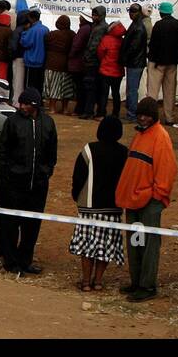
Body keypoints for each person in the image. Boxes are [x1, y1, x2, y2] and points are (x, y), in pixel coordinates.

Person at [116, 97, 178, 302]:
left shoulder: (161, 137)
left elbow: (167, 171)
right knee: (136, 242)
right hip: (133, 200)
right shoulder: (140, 135)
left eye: (146, 115)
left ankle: (147, 285)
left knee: (149, 244)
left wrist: (156, 197)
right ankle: (137, 281)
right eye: (140, 114)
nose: (142, 118)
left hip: (149, 202)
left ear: (153, 116)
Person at [0, 88, 57, 275]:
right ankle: (10, 261)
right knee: (10, 225)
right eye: (21, 103)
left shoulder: (47, 123)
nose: (22, 107)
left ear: (35, 105)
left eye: (26, 104)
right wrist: (8, 178)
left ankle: (25, 260)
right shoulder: (12, 122)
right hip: (13, 186)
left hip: (37, 186)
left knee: (32, 226)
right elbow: (2, 153)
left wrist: (45, 173)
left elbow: (51, 154)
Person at [69, 116, 128, 292]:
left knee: (87, 245)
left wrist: (76, 195)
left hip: (89, 206)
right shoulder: (124, 152)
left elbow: (78, 177)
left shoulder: (88, 150)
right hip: (113, 207)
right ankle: (98, 281)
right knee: (106, 246)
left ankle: (86, 281)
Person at [147, 2, 178, 125]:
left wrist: (153, 60)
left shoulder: (159, 25)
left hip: (157, 62)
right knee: (170, 91)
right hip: (172, 63)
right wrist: (175, 60)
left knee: (153, 92)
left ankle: (150, 117)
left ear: (161, 12)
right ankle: (169, 118)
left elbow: (153, 44)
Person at [119, 4, 149, 122]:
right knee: (131, 88)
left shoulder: (139, 27)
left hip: (135, 63)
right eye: (130, 11)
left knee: (132, 89)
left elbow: (134, 47)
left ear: (139, 13)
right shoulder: (136, 25)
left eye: (134, 12)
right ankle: (131, 112)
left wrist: (124, 58)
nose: (131, 14)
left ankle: (132, 114)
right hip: (135, 62)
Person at [43, 15, 76, 114]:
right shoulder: (72, 35)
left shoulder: (51, 35)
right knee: (65, 87)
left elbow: (45, 43)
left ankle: (52, 108)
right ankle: (65, 109)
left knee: (53, 87)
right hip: (66, 64)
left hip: (52, 63)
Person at [96, 21, 125, 119]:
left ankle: (101, 113)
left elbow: (100, 52)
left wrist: (104, 61)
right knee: (116, 93)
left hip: (106, 70)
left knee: (103, 93)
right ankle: (116, 113)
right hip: (118, 71)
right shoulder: (122, 41)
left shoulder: (106, 39)